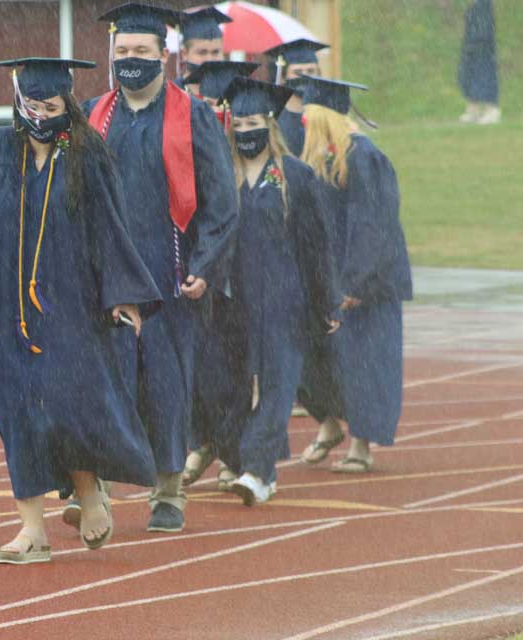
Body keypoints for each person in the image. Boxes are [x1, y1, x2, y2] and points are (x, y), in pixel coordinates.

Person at [0, 57, 162, 563]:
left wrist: (123, 293)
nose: (39, 112)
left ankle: (88, 493)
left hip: (71, 307)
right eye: (31, 103)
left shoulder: (86, 153)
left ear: (68, 105)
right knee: (20, 416)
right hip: (4, 309)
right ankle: (32, 531)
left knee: (67, 408)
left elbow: (110, 226)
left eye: (50, 104)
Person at [75, 3, 238, 533]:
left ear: (163, 57)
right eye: (122, 52)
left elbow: (221, 202)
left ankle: (168, 491)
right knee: (103, 382)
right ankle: (92, 485)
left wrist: (206, 265)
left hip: (170, 275)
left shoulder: (191, 116)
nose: (130, 61)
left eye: (141, 52)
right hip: (105, 276)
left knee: (166, 387)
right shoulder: (92, 114)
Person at [211, 77, 341, 505]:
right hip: (232, 303)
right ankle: (251, 465)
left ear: (270, 124)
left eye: (253, 122)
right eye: (239, 122)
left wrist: (326, 301)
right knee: (228, 391)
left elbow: (315, 246)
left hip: (285, 301)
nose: (245, 130)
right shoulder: (221, 174)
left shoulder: (295, 177)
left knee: (277, 387)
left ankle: (255, 469)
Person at [296, 75, 413, 474]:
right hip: (330, 280)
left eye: (310, 117)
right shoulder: (320, 159)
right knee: (311, 356)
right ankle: (329, 424)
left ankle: (361, 444)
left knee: (364, 363)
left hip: (369, 284)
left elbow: (374, 226)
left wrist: (355, 282)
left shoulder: (364, 158)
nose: (304, 125)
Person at [177, 60, 257, 491]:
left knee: (238, 370)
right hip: (205, 272)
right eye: (208, 100)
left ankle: (232, 451)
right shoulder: (192, 140)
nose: (214, 108)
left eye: (222, 103)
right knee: (204, 370)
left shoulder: (251, 150)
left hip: (244, 278)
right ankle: (207, 442)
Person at [262, 39, 328, 157]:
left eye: (311, 71)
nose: (304, 76)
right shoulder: (272, 116)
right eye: (298, 72)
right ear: (283, 77)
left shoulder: (327, 113)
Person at [458, 0, 500, 124]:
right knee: (469, 76)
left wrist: (476, 42)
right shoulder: (474, 6)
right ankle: (473, 110)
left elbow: (484, 29)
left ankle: (492, 110)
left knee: (485, 76)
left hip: (483, 47)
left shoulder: (484, 5)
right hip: (472, 47)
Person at [178, 6, 232, 94]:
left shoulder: (230, 95)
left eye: (215, 52)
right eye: (202, 52)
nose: (209, 59)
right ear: (184, 54)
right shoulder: (170, 95)